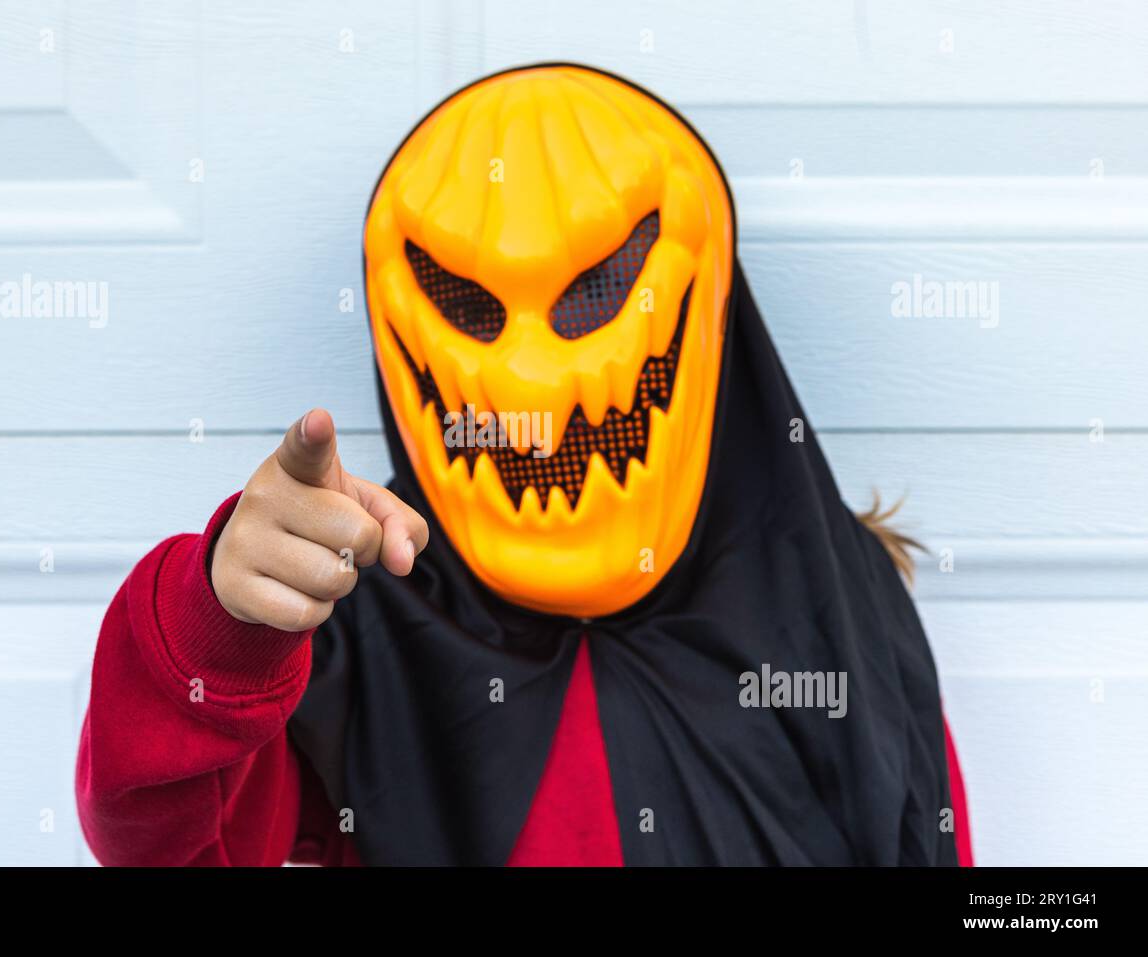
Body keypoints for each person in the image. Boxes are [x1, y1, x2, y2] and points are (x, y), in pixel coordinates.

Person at [75, 64, 972, 866]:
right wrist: (225, 626)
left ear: (712, 314)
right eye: (466, 300)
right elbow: (169, 843)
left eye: (599, 285)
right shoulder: (358, 638)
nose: (534, 379)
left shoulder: (829, 615)